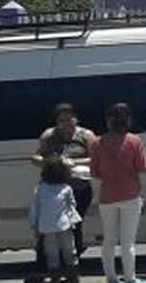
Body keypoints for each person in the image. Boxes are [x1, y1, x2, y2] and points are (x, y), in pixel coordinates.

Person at [88, 103, 146, 283]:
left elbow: (94, 172)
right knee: (127, 242)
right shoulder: (134, 141)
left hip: (107, 196)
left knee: (109, 239)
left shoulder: (98, 143)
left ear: (108, 121)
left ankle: (111, 278)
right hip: (131, 194)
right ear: (128, 120)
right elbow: (143, 167)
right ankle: (130, 278)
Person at [30, 103, 96, 263]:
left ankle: (72, 262)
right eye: (61, 120)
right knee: (49, 225)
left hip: (78, 187)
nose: (65, 123)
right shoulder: (49, 135)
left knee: (73, 225)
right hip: (52, 188)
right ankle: (47, 263)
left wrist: (74, 162)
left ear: (76, 119)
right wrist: (52, 162)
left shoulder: (86, 135)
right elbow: (35, 157)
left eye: (69, 119)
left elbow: (96, 160)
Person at [29, 159, 83, 283]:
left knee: (52, 254)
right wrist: (74, 221)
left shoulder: (40, 189)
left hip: (47, 227)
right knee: (69, 251)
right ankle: (72, 277)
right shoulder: (66, 188)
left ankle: (55, 278)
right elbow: (72, 206)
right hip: (65, 225)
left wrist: (34, 225)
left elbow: (35, 208)